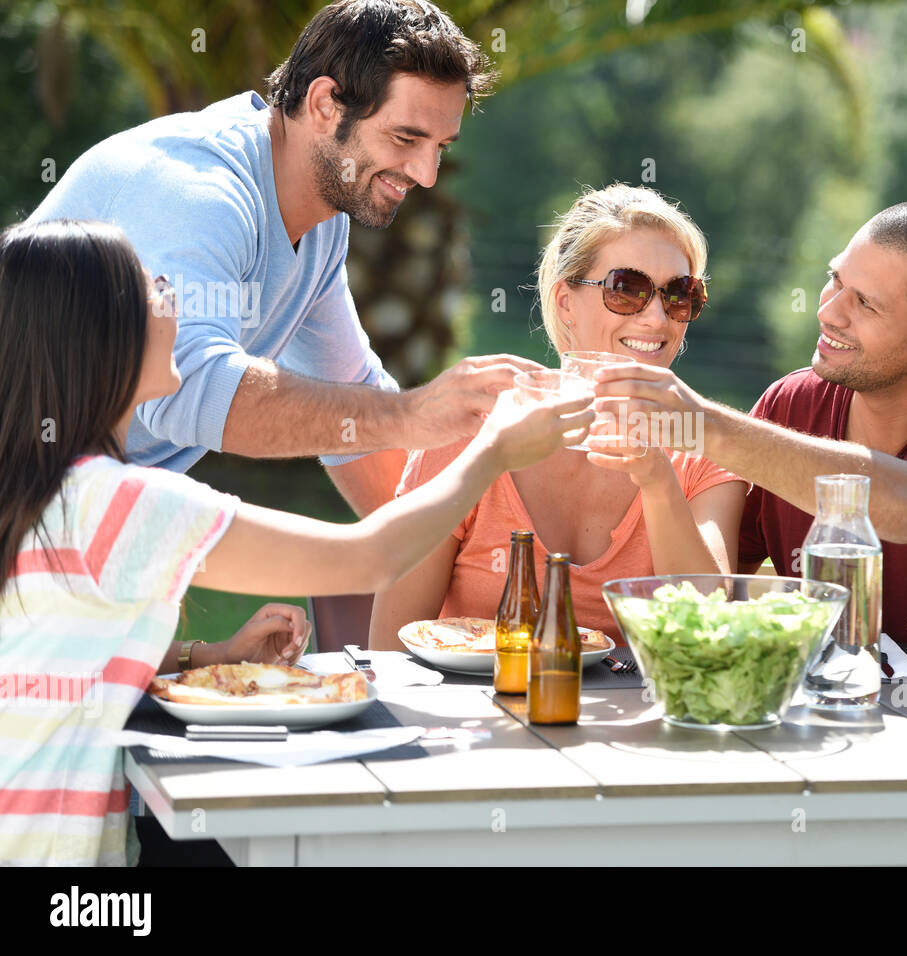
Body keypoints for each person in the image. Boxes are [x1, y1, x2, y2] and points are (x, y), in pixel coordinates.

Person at [0, 219, 594, 866]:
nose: (178, 303)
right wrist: (493, 451)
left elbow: (59, 651)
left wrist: (207, 656)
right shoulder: (117, 502)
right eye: (158, 290)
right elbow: (369, 559)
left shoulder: (40, 489)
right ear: (102, 334)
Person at [25, 0, 530, 516]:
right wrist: (408, 415)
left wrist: (480, 549)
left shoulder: (321, 220)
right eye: (405, 138)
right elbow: (186, 389)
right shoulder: (201, 189)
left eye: (441, 147)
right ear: (325, 103)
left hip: (65, 510)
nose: (426, 174)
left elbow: (354, 409)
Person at [593, 200, 907, 642]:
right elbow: (715, 589)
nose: (828, 311)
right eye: (835, 280)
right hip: (822, 698)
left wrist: (705, 425)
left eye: (865, 304)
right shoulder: (790, 405)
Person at [368, 184, 747, 646]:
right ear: (566, 302)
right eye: (627, 290)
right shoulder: (475, 428)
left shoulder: (705, 446)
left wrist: (658, 481)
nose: (656, 318)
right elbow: (388, 649)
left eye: (679, 294)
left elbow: (708, 635)